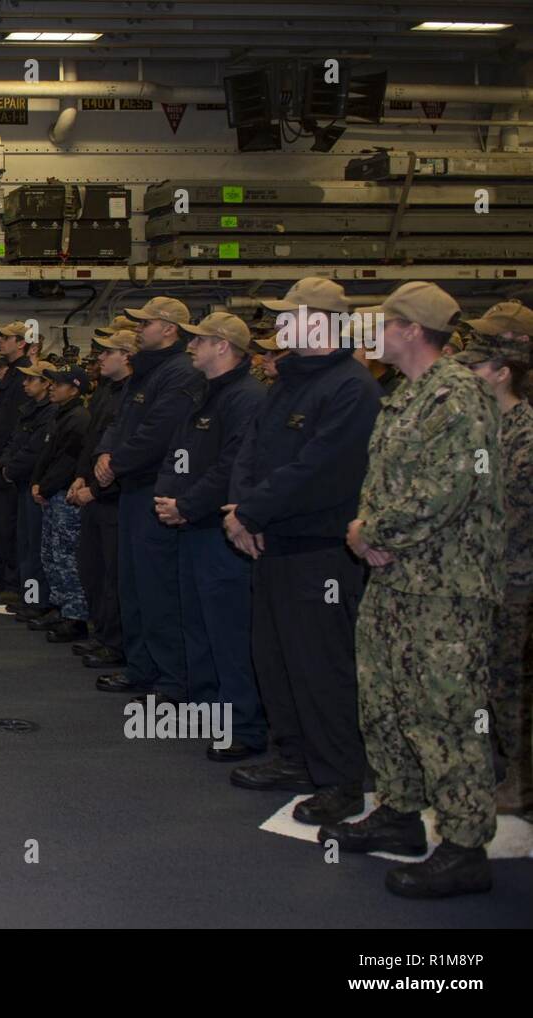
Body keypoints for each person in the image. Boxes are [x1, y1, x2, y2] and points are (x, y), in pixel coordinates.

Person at [331, 281, 504, 898]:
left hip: (443, 590)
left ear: (409, 329)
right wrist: (371, 536)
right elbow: (390, 483)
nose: (373, 332)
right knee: (385, 701)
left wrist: (370, 531)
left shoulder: (457, 396)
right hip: (397, 575)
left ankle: (464, 846)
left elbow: (448, 489)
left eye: (383, 322)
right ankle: (400, 812)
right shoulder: (406, 394)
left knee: (447, 715)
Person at [225, 277, 381, 825]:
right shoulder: (287, 384)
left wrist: (251, 512)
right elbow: (251, 450)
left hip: (320, 549)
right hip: (274, 543)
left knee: (322, 667)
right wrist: (241, 510)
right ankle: (293, 756)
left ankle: (342, 778)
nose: (279, 326)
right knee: (276, 658)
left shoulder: (351, 388)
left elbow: (321, 469)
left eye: (288, 316)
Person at [153, 312, 267, 757]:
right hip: (192, 525)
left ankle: (244, 725)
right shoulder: (203, 393)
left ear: (223, 346)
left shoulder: (246, 398)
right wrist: (168, 495)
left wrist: (187, 504)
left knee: (229, 630)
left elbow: (232, 466)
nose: (191, 346)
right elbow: (178, 452)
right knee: (196, 621)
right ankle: (207, 707)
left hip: (219, 529)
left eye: (200, 340)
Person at [92, 297, 202, 700]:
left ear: (170, 329)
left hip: (157, 488)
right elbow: (120, 421)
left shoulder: (181, 373)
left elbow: (160, 432)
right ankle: (141, 667)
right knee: (133, 585)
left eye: (146, 323)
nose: (138, 328)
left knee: (158, 590)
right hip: (132, 487)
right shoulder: (145, 371)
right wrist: (105, 455)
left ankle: (171, 678)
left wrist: (115, 463)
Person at [456, 302, 533, 815]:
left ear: (504, 371)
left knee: (510, 686)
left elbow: (499, 508)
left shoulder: (523, 432)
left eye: (479, 367)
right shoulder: (484, 427)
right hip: (484, 576)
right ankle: (504, 769)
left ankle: (521, 783)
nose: (470, 376)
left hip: (515, 579)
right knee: (488, 681)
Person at [72, 328, 135, 670]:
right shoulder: (106, 393)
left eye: (107, 352)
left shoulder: (131, 392)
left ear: (126, 356)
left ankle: (116, 643)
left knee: (113, 574)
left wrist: (95, 489)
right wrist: (81, 476)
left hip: (112, 496)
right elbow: (93, 442)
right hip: (94, 492)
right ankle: (103, 633)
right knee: (92, 568)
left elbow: (122, 451)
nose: (99, 357)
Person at [25, 365, 92, 642]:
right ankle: (60, 605)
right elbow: (47, 456)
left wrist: (46, 485)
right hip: (52, 493)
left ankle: (75, 616)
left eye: (59, 384)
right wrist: (38, 483)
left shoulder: (78, 418)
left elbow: (67, 462)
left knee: (66, 558)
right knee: (51, 554)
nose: (52, 387)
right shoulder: (61, 414)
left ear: (74, 389)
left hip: (64, 495)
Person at [0, 321, 39, 596]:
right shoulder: (12, 374)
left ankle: (13, 583)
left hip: (8, 462)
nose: (1, 343)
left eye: (7, 338)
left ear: (21, 343)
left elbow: (13, 422)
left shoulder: (23, 374)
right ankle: (4, 577)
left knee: (9, 525)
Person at [0, 362, 56, 615]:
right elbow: (15, 441)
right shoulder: (30, 410)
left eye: (32, 379)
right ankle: (28, 596)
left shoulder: (50, 413)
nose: (25, 383)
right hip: (23, 482)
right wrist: (7, 464)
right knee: (24, 542)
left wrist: (11, 469)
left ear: (46, 383)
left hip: (35, 484)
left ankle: (37, 600)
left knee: (35, 545)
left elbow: (35, 451)